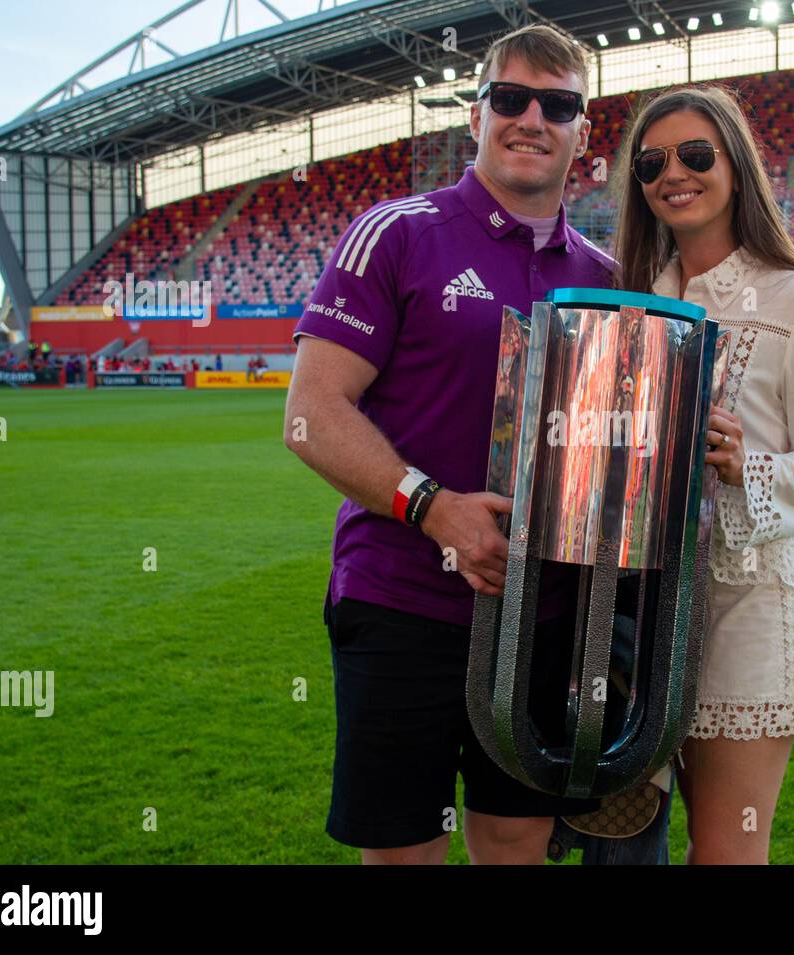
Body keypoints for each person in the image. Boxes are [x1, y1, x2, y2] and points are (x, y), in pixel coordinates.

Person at [284, 24, 667, 865]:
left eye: (558, 104)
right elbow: (310, 413)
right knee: (405, 851)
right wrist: (432, 507)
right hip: (402, 602)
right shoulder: (395, 232)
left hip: (547, 618)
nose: (532, 118)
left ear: (583, 132)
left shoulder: (608, 279)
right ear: (477, 112)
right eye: (511, 98)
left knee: (513, 845)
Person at [614, 83, 794, 863]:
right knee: (625, 841)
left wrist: (740, 463)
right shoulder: (633, 301)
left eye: (695, 155)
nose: (672, 174)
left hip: (749, 607)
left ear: (736, 166)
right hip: (637, 611)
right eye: (652, 163)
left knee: (724, 851)